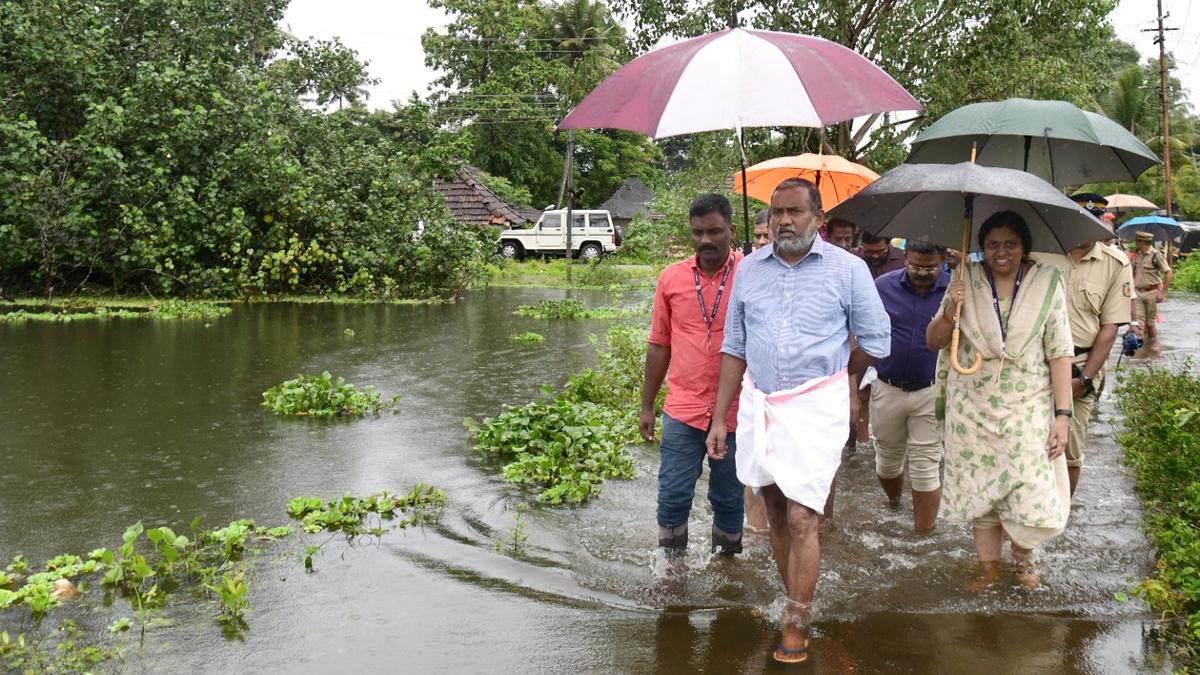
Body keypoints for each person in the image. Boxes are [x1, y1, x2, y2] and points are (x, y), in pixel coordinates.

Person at [705, 178, 890, 663]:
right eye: (777, 211)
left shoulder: (848, 270)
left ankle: (796, 621)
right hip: (759, 402)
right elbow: (735, 347)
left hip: (815, 405)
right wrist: (720, 418)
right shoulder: (748, 270)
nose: (784, 220)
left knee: (805, 514)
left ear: (818, 220)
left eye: (794, 212)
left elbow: (877, 338)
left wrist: (840, 380)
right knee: (773, 506)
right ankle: (798, 598)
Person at [926, 210, 1074, 588]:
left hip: (1027, 409)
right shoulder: (965, 282)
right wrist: (949, 309)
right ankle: (988, 570)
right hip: (972, 410)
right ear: (981, 249)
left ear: (1024, 246)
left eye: (1010, 243)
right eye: (992, 244)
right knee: (982, 496)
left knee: (1027, 491)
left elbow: (1060, 352)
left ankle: (1025, 565)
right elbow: (934, 341)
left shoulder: (1046, 283)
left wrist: (1062, 416)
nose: (1001, 251)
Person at [640, 194, 744, 561]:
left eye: (714, 232)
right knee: (672, 494)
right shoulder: (671, 278)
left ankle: (727, 568)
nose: (706, 241)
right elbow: (659, 344)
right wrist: (647, 405)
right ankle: (671, 571)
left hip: (736, 410)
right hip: (683, 408)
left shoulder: (751, 276)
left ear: (731, 231)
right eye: (697, 233)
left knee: (730, 497)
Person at [1032, 207, 1134, 497]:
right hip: (1034, 364)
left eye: (1097, 221)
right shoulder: (1039, 254)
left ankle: (1062, 517)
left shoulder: (1115, 264)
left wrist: (1086, 379)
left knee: (1069, 450)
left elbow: (1109, 328)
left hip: (1080, 365)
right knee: (1025, 443)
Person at [871, 240, 949, 533]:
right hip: (886, 385)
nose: (922, 272)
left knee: (926, 467)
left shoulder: (955, 290)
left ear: (941, 261)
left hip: (932, 389)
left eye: (930, 267)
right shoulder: (883, 286)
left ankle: (923, 536)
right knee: (887, 462)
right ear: (905, 259)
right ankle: (893, 503)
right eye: (915, 265)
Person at [1131, 231, 1170, 342]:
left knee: (1150, 323)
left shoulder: (1155, 255)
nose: (1135, 243)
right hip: (1138, 292)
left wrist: (1163, 293)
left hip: (1152, 292)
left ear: (1142, 242)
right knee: (1138, 322)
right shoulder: (1137, 255)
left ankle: (1153, 346)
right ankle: (1140, 348)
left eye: (1137, 241)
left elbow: (1168, 272)